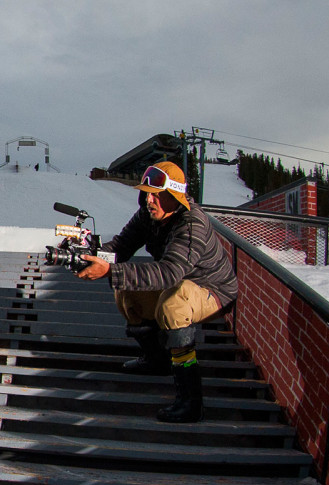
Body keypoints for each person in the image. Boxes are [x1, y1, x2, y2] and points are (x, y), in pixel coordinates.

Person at [74, 161, 237, 423]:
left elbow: (170, 272)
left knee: (174, 303)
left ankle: (191, 402)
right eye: (146, 193)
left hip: (213, 290)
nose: (150, 200)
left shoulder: (191, 223)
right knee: (128, 291)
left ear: (175, 196)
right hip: (178, 282)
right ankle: (156, 359)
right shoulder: (147, 215)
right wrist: (88, 256)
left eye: (157, 195)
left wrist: (110, 272)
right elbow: (121, 248)